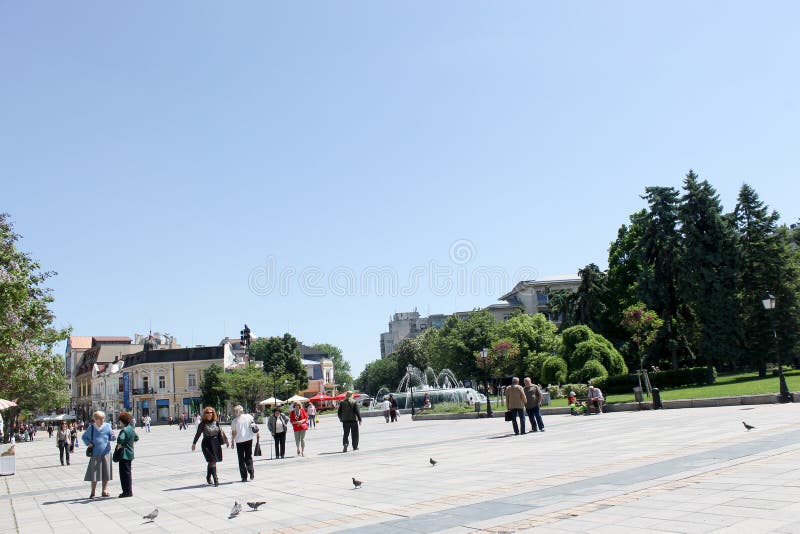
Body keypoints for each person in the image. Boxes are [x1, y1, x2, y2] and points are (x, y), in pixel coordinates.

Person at [81, 410, 116, 499]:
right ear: (95, 419)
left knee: (106, 473)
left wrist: (113, 436)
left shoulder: (107, 426)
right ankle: (93, 491)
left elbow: (112, 438)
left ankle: (104, 490)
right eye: (100, 419)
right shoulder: (91, 428)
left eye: (103, 418)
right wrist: (88, 443)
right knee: (94, 474)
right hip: (95, 453)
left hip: (106, 452)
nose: (102, 420)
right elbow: (84, 437)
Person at [192, 407, 229, 486]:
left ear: (213, 413)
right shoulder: (202, 424)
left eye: (211, 412)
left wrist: (226, 439)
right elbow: (198, 434)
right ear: (205, 414)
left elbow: (221, 431)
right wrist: (194, 443)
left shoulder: (216, 422)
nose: (209, 414)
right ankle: (215, 478)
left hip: (215, 443)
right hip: (206, 444)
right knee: (212, 461)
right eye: (207, 412)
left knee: (212, 462)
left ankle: (208, 477)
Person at [114, 411, 138, 498]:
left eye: (120, 421)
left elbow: (120, 440)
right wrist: (130, 444)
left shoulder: (124, 430)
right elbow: (136, 438)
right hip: (130, 453)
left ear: (122, 421)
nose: (119, 423)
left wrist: (119, 446)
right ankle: (129, 490)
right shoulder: (131, 428)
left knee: (124, 474)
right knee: (128, 473)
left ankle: (126, 492)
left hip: (124, 454)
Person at [230, 405, 256, 482]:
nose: (235, 413)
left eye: (236, 411)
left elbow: (234, 432)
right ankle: (251, 471)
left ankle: (244, 476)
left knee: (241, 459)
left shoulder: (234, 421)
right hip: (248, 439)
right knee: (248, 456)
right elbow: (254, 426)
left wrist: (232, 441)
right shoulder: (249, 416)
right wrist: (257, 434)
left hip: (239, 441)